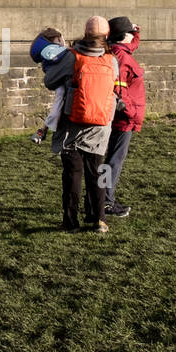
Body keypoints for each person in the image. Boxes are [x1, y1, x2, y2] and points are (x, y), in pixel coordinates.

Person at [44, 16, 119, 234]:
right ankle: (99, 219)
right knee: (98, 172)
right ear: (106, 35)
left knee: (72, 174)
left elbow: (50, 82)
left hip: (72, 124)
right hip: (100, 126)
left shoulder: (71, 57)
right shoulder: (111, 59)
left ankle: (70, 221)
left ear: (85, 32)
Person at [103, 16, 145, 219]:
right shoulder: (121, 58)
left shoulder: (118, 51)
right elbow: (119, 92)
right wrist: (132, 113)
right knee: (113, 161)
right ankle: (105, 202)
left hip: (122, 118)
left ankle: (101, 199)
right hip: (122, 119)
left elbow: (132, 46)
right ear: (123, 37)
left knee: (111, 160)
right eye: (130, 33)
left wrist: (134, 32)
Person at [29, 27, 68, 144]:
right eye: (60, 38)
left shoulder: (49, 49)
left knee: (58, 104)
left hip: (58, 79)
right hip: (60, 81)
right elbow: (58, 54)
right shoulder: (49, 49)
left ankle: (43, 129)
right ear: (55, 38)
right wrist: (68, 48)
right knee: (58, 104)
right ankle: (44, 129)